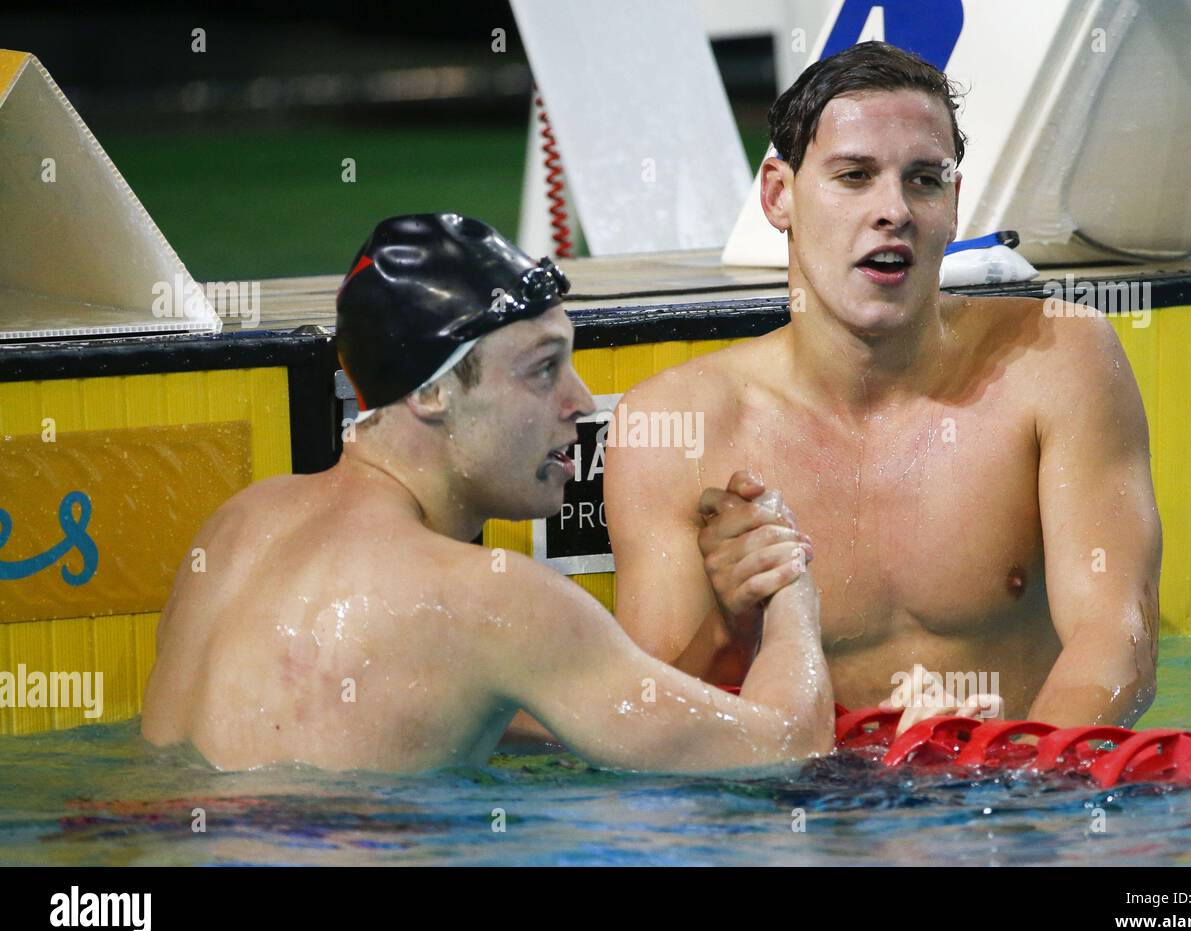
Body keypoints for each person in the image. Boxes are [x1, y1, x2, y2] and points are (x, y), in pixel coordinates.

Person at [142, 213, 834, 773]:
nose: (581, 400)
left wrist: (723, 632)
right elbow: (786, 748)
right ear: (435, 393)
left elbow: (581, 715)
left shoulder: (238, 525)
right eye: (542, 370)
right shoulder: (493, 600)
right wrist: (790, 584)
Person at [605, 42, 1162, 729]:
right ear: (779, 195)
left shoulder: (1056, 359)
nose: (893, 209)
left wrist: (1024, 774)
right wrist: (732, 628)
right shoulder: (675, 426)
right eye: (855, 176)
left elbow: (1119, 639)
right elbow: (649, 723)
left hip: (1020, 804)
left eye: (924, 180)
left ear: (955, 204)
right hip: (805, 813)